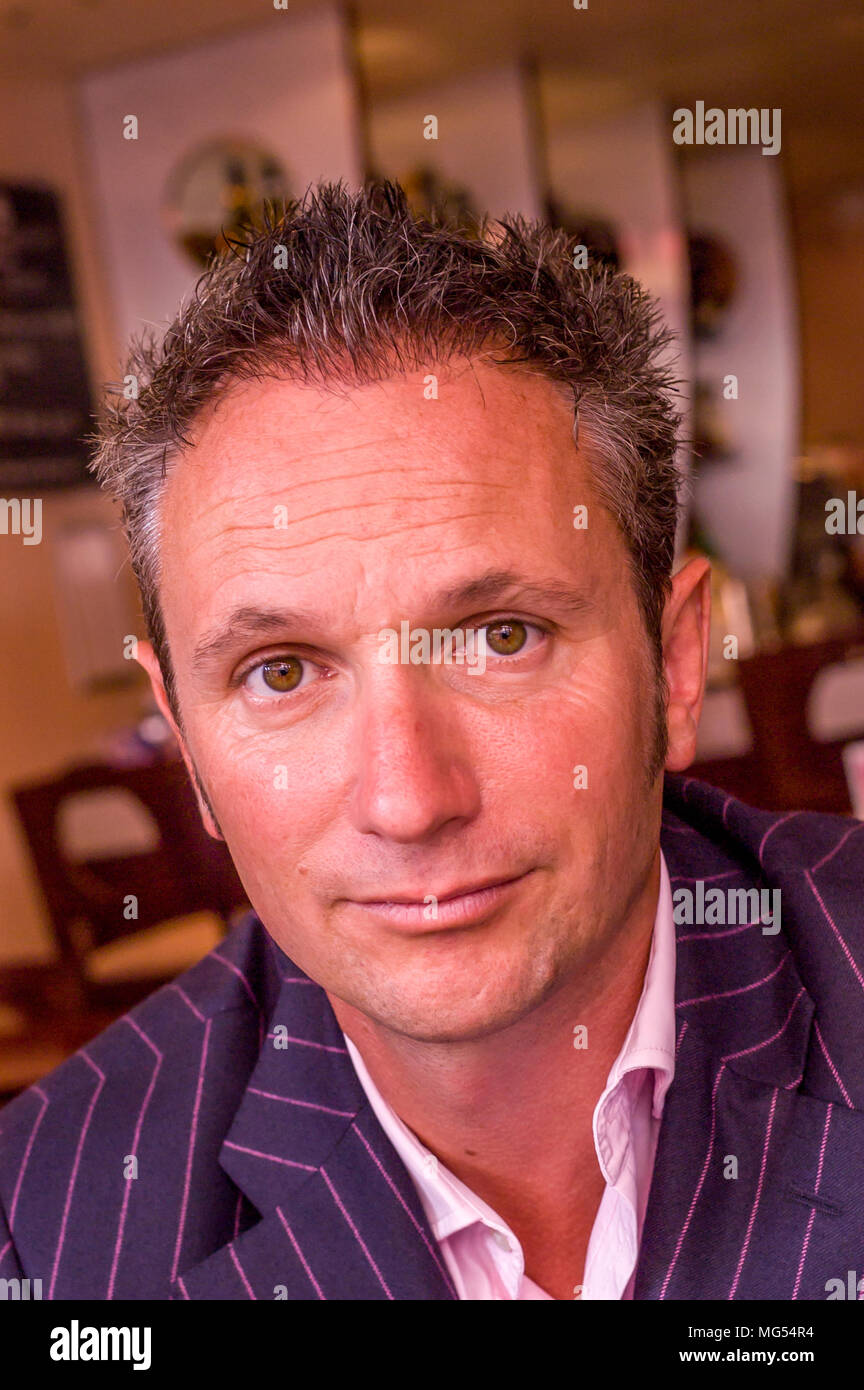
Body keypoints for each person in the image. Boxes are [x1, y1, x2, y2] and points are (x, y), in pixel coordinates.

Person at [2, 182, 862, 1301]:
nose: (408, 799)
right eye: (281, 671)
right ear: (187, 748)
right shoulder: (50, 1232)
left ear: (675, 663)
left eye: (502, 637)